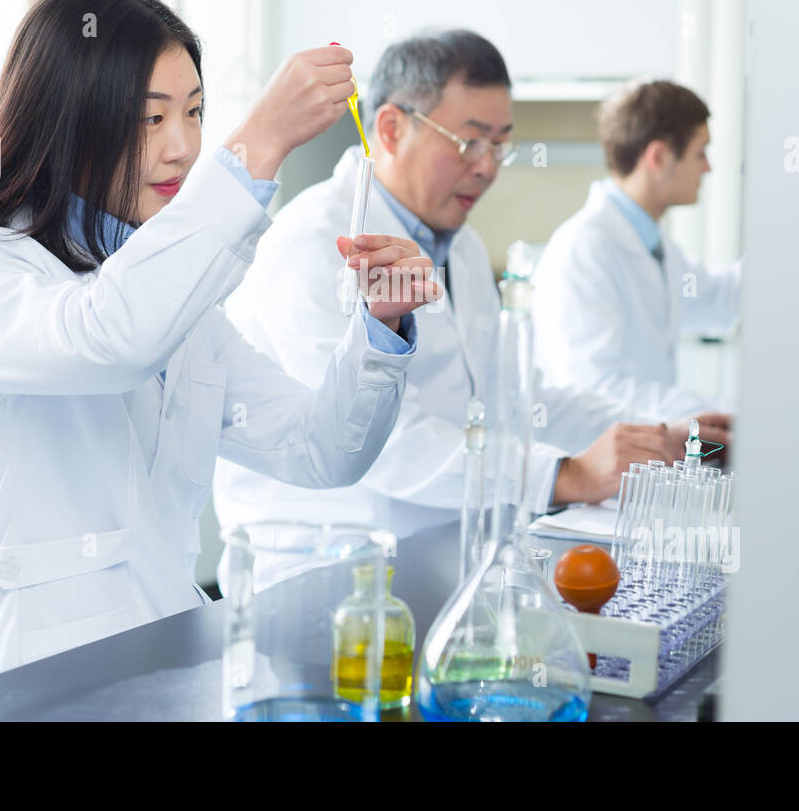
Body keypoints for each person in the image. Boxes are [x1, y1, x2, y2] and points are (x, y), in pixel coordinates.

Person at [0, 0, 438, 683]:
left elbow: (318, 449)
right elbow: (111, 341)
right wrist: (258, 143)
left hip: (172, 658)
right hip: (44, 678)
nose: (184, 146)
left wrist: (380, 332)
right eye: (150, 118)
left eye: (195, 113)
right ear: (70, 120)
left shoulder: (174, 298)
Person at [214, 30, 728, 586]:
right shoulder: (315, 241)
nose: (488, 167)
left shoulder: (460, 246)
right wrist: (563, 475)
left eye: (501, 145)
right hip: (321, 574)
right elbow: (379, 441)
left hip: (437, 561)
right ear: (389, 128)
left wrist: (652, 436)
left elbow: (513, 394)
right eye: (471, 142)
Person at [531, 80, 741, 421]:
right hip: (598, 455)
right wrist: (715, 412)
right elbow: (596, 389)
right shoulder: (585, 249)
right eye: (700, 153)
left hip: (639, 451)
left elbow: (718, 299)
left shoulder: (652, 244)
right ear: (658, 157)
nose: (708, 168)